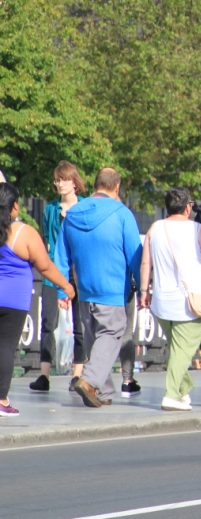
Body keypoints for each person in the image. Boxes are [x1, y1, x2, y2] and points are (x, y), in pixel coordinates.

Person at [139, 188, 201, 411]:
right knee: (183, 350)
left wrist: (144, 291)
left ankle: (182, 390)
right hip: (190, 302)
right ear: (188, 207)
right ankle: (171, 394)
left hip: (161, 302)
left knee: (176, 347)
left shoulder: (155, 228)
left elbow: (146, 264)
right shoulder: (197, 229)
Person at [55, 168, 142, 407]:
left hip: (85, 289)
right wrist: (143, 287)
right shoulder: (122, 214)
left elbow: (60, 256)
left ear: (95, 185)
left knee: (94, 338)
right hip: (112, 288)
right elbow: (135, 256)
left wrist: (63, 289)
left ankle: (102, 392)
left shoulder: (72, 214)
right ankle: (90, 380)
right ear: (117, 188)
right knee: (111, 333)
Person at [0, 183, 76, 417]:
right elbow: (44, 266)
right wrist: (66, 285)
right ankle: (1, 399)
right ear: (14, 205)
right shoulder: (23, 232)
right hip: (14, 300)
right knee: (5, 347)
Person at [29, 161, 88, 394]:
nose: (60, 184)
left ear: (75, 181)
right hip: (53, 272)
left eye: (64, 179)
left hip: (79, 272)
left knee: (80, 324)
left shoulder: (86, 206)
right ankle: (44, 375)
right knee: (48, 323)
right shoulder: (50, 209)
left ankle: (77, 374)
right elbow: (48, 241)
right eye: (57, 180)